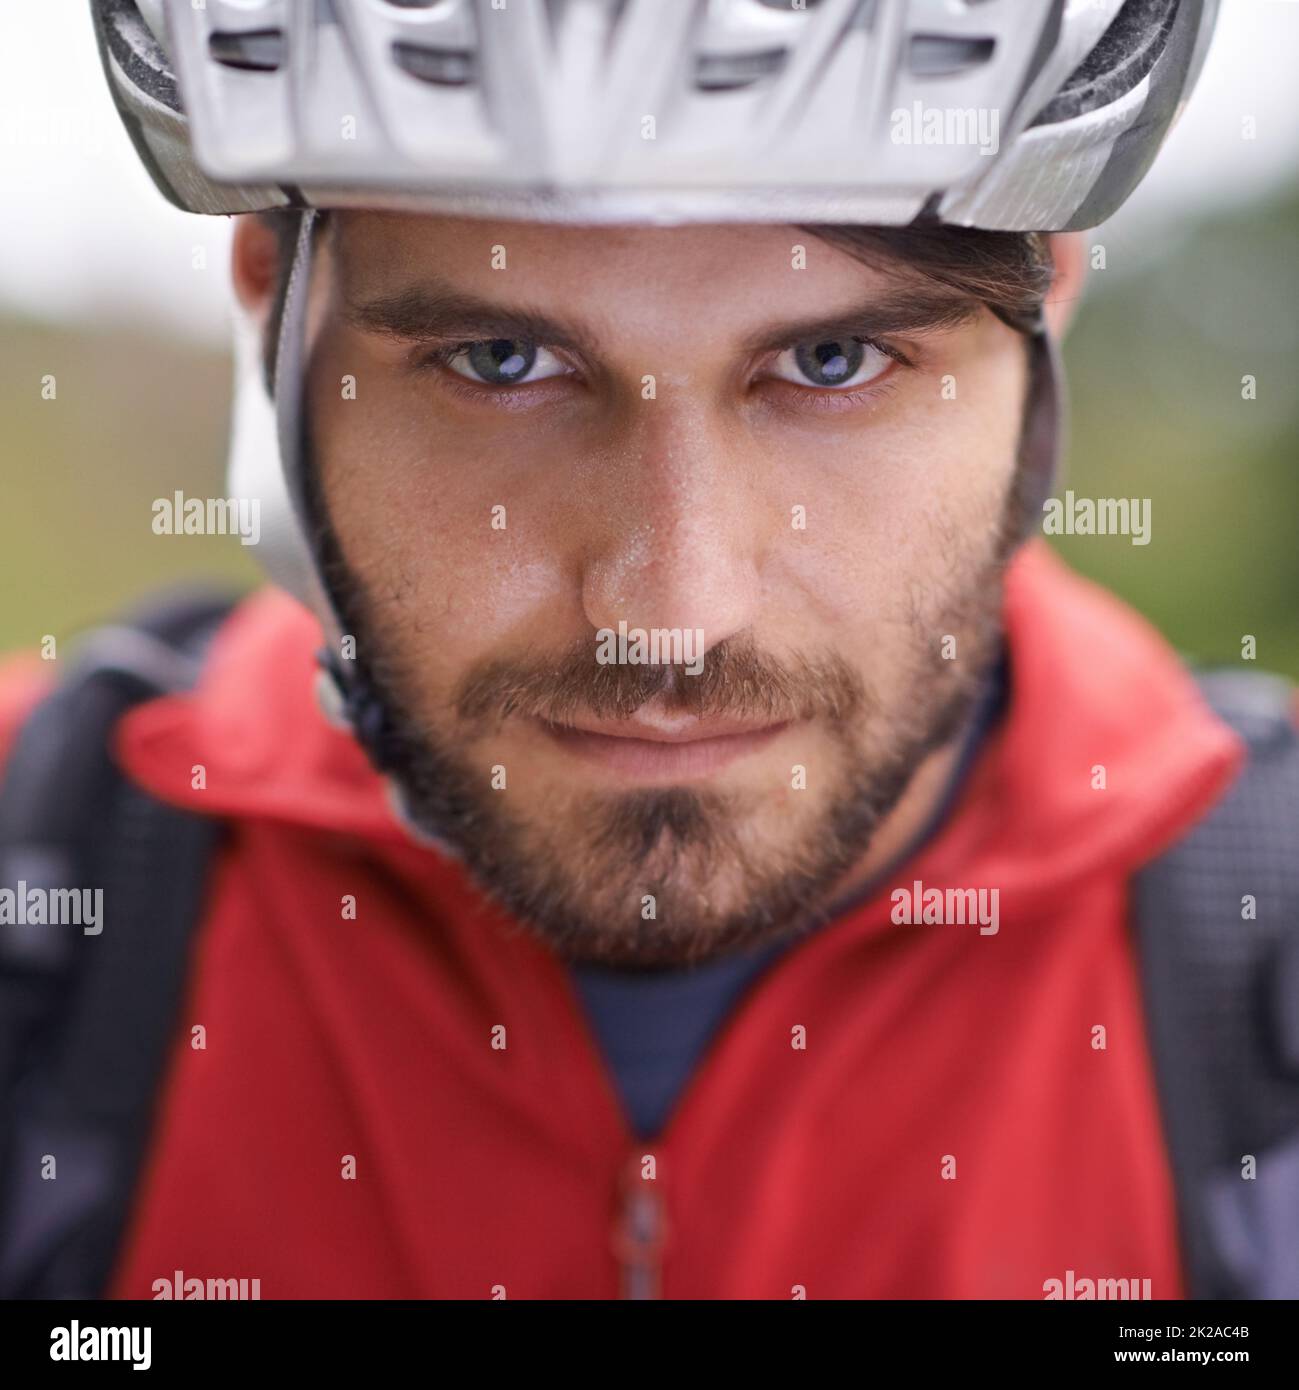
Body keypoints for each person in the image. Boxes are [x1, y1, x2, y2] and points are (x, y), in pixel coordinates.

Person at [3, 0, 1294, 1301]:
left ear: (1046, 314)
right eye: (500, 361)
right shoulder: (39, 865)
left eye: (834, 362)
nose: (671, 610)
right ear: (274, 326)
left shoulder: (1267, 937)